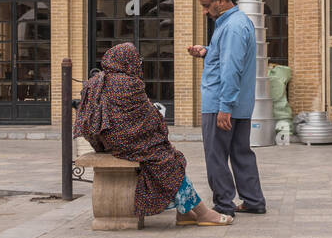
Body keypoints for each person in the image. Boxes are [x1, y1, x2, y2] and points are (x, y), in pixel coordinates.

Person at [74, 42, 231, 225]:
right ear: (128, 61)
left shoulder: (96, 82)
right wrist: (162, 133)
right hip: (127, 143)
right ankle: (202, 213)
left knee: (168, 155)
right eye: (136, 61)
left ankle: (185, 212)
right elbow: (150, 120)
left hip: (108, 143)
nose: (138, 65)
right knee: (168, 160)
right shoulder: (129, 84)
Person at [186, 0, 267, 216]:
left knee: (216, 155)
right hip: (238, 104)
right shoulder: (238, 22)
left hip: (221, 105)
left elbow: (232, 68)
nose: (204, 11)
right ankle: (253, 201)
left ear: (220, 1)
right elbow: (227, 58)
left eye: (206, 6)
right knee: (241, 152)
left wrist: (224, 107)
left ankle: (223, 205)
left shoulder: (231, 26)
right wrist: (206, 51)